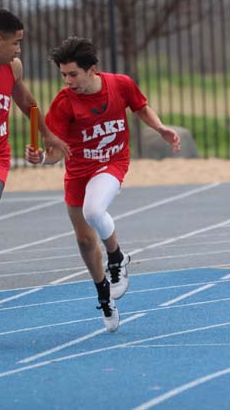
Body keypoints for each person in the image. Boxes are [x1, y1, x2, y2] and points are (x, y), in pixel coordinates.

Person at [25, 36, 180, 332]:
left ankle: (117, 257)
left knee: (94, 211)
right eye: (63, 75)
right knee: (84, 240)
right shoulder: (63, 102)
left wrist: (160, 128)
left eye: (73, 74)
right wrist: (42, 158)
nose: (68, 81)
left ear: (91, 69)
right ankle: (104, 296)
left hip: (112, 162)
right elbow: (56, 151)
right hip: (78, 172)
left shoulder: (120, 84)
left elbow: (141, 107)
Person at [0, 9, 70, 346]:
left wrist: (43, 136)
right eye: (15, 43)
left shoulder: (11, 69)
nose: (19, 50)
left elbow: (27, 103)